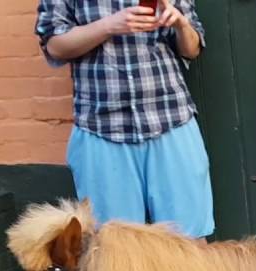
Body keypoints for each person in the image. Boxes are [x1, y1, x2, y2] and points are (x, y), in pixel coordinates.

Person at [35, 0, 214, 239]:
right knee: (114, 247)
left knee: (190, 240)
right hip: (101, 126)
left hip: (170, 117)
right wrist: (109, 26)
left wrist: (181, 24)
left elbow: (191, 49)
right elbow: (55, 46)